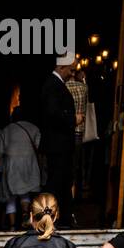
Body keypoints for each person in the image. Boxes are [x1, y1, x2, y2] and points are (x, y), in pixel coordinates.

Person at [39, 54, 77, 224]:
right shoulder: (52, 85)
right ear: (62, 68)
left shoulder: (56, 85)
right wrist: (73, 119)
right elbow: (52, 114)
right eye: (71, 70)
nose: (73, 74)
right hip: (58, 145)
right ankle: (48, 218)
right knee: (56, 183)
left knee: (62, 182)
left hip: (60, 145)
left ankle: (61, 218)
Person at [0, 108, 42, 230]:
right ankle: (25, 214)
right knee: (25, 191)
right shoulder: (35, 128)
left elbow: (0, 151)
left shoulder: (7, 129)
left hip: (12, 165)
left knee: (10, 195)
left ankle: (12, 226)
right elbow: (38, 147)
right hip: (29, 164)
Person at [66, 64, 89, 222]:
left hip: (66, 132)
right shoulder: (83, 88)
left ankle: (64, 208)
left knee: (63, 170)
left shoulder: (62, 87)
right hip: (79, 133)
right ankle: (71, 207)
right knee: (74, 170)